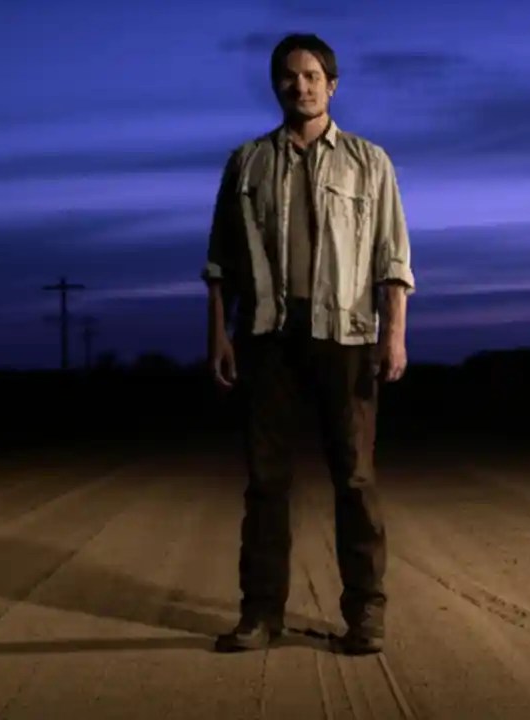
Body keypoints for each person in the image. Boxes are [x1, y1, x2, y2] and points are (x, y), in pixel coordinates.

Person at [201, 32, 416, 656]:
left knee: (354, 477)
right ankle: (261, 614)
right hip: (267, 333)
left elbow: (392, 257)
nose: (301, 85)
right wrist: (219, 334)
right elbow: (219, 263)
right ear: (276, 85)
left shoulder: (369, 162)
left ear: (332, 85)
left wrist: (393, 333)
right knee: (266, 481)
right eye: (290, 76)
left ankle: (366, 615)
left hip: (345, 336)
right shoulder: (246, 164)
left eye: (312, 75)